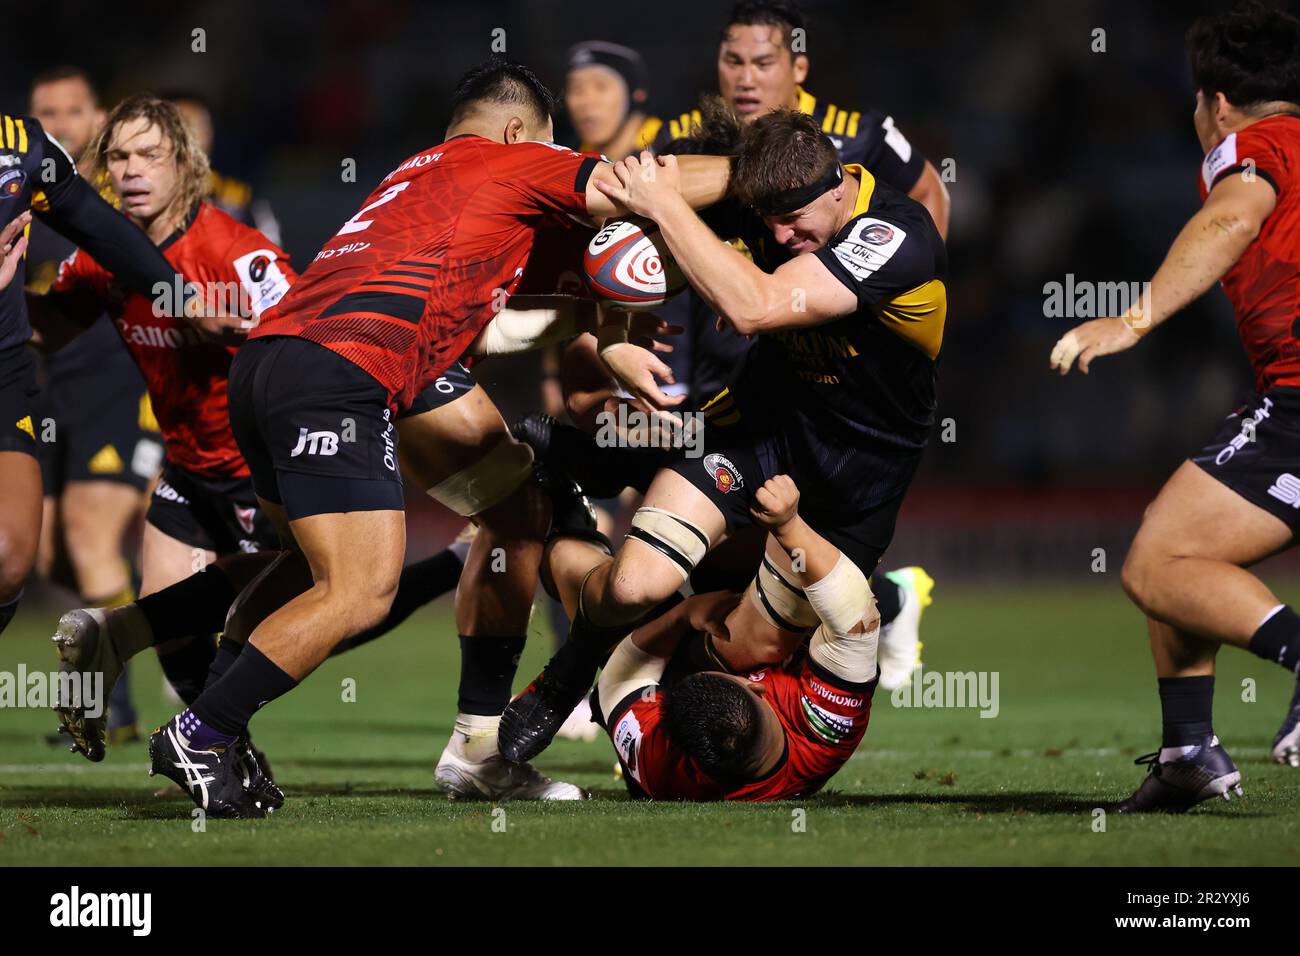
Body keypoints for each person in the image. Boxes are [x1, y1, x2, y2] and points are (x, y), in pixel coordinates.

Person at [141, 58, 731, 817]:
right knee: (358, 588)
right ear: (520, 132)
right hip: (342, 369)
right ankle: (203, 730)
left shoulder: (422, 182)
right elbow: (638, 186)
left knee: (511, 516)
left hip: (271, 364)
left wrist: (599, 323)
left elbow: (478, 329)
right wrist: (758, 171)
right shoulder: (511, 160)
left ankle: (476, 750)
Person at [501, 107, 946, 763]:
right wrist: (616, 337)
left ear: (839, 187)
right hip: (755, 439)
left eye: (795, 222)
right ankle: (570, 671)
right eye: (769, 219)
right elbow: (627, 195)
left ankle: (600, 465)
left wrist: (665, 202)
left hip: (855, 482)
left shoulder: (898, 235)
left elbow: (757, 305)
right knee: (634, 585)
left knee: (754, 646)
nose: (781, 234)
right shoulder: (776, 202)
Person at [1050, 2, 1300, 810]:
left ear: (1215, 103)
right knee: (1178, 545)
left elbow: (1232, 215)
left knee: (1155, 565)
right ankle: (1189, 750)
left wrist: (1133, 317)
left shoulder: (1252, 150)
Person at [0, 102, 222, 639]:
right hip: (58, 389)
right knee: (70, 547)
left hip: (17, 377)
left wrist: (184, 300)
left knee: (11, 554)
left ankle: (120, 679)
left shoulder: (20, 146)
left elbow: (104, 232)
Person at [546, 472, 878, 800]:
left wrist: (683, 616)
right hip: (782, 620)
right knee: (806, 549)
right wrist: (788, 524)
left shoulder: (664, 765)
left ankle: (570, 517)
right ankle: (896, 595)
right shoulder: (825, 728)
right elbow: (858, 621)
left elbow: (616, 681)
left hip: (667, 661)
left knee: (572, 563)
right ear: (756, 686)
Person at [27, 67, 163, 743]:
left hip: (116, 381)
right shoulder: (24, 197)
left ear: (97, 115)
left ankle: (110, 709)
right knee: (46, 550)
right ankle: (147, 611)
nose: (55, 123)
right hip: (51, 389)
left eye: (70, 110)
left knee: (88, 538)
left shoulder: (115, 194)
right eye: (42, 112)